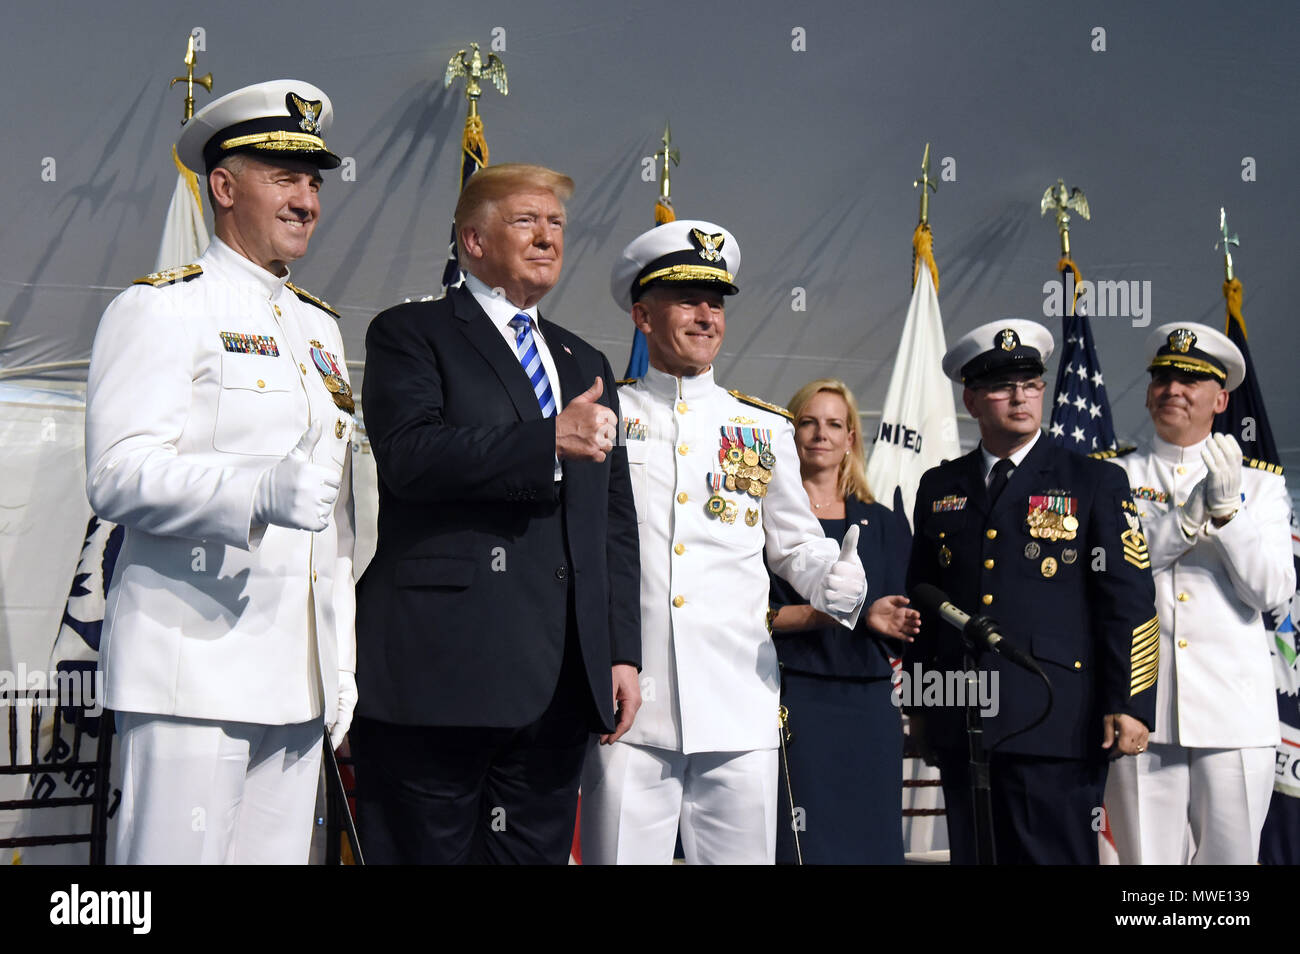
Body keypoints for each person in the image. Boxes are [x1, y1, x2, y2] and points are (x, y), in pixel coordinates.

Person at [85, 80, 356, 864]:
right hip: (192, 671)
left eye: (314, 180)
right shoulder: (164, 309)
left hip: (296, 679)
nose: (307, 199)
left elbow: (333, 521)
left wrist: (338, 661)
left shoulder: (321, 329)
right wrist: (253, 491)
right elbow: (116, 473)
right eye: (285, 176)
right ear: (225, 186)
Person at [351, 163, 641, 865]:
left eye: (557, 225)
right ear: (472, 241)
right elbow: (411, 456)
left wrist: (620, 650)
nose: (548, 238)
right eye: (526, 222)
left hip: (559, 688)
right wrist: (546, 441)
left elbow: (611, 519)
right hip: (440, 676)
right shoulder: (411, 333)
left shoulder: (582, 358)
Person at [579, 220, 869, 865]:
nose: (706, 315)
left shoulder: (762, 426)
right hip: (629, 703)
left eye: (716, 303)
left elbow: (794, 544)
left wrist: (833, 579)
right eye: (687, 299)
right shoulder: (606, 416)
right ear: (643, 314)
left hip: (738, 700)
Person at [904, 318, 1159, 865]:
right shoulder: (940, 485)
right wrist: (923, 704)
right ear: (971, 400)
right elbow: (923, 598)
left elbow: (1129, 600)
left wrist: (1130, 703)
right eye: (1001, 386)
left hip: (1054, 717)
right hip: (962, 715)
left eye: (1031, 383)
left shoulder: (1093, 480)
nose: (1020, 397)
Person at [1099, 322, 1294, 864]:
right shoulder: (1113, 475)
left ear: (1221, 397)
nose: (1173, 390)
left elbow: (1271, 590)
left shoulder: (1262, 484)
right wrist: (1183, 524)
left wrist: (1230, 516)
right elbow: (1114, 573)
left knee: (1228, 876)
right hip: (1143, 707)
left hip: (1233, 711)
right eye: (1163, 377)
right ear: (1147, 391)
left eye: (1190, 379)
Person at [768, 378, 920, 864]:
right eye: (807, 422)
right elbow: (756, 618)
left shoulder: (887, 523)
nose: (820, 434)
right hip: (794, 703)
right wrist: (839, 614)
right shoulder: (761, 520)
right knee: (802, 847)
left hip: (869, 706)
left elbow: (901, 615)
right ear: (790, 435)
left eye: (835, 424)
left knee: (870, 845)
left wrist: (892, 619)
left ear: (852, 438)